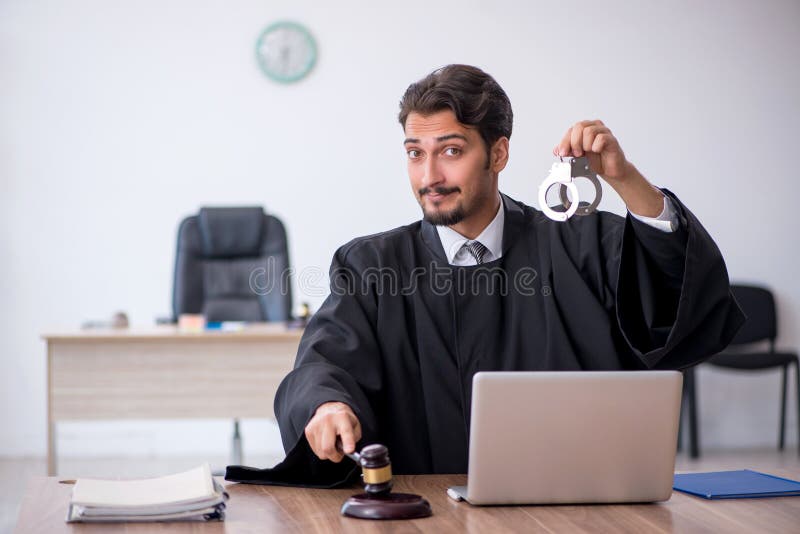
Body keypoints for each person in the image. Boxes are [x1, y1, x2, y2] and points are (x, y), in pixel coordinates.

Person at [227, 64, 744, 487]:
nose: (429, 176)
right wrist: (326, 404)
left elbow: (673, 290)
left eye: (451, 151)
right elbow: (324, 359)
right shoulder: (372, 267)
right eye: (415, 154)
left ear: (498, 153)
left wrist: (625, 180)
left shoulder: (579, 244)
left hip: (576, 505)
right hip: (419, 513)